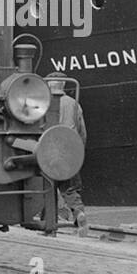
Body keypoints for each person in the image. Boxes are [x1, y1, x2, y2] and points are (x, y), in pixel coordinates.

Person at [48, 76, 88, 231]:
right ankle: (79, 213)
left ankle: (50, 226)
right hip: (70, 149)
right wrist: (79, 151)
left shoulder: (44, 103)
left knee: (48, 187)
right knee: (70, 188)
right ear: (63, 85)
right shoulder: (73, 103)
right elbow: (82, 130)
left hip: (50, 149)